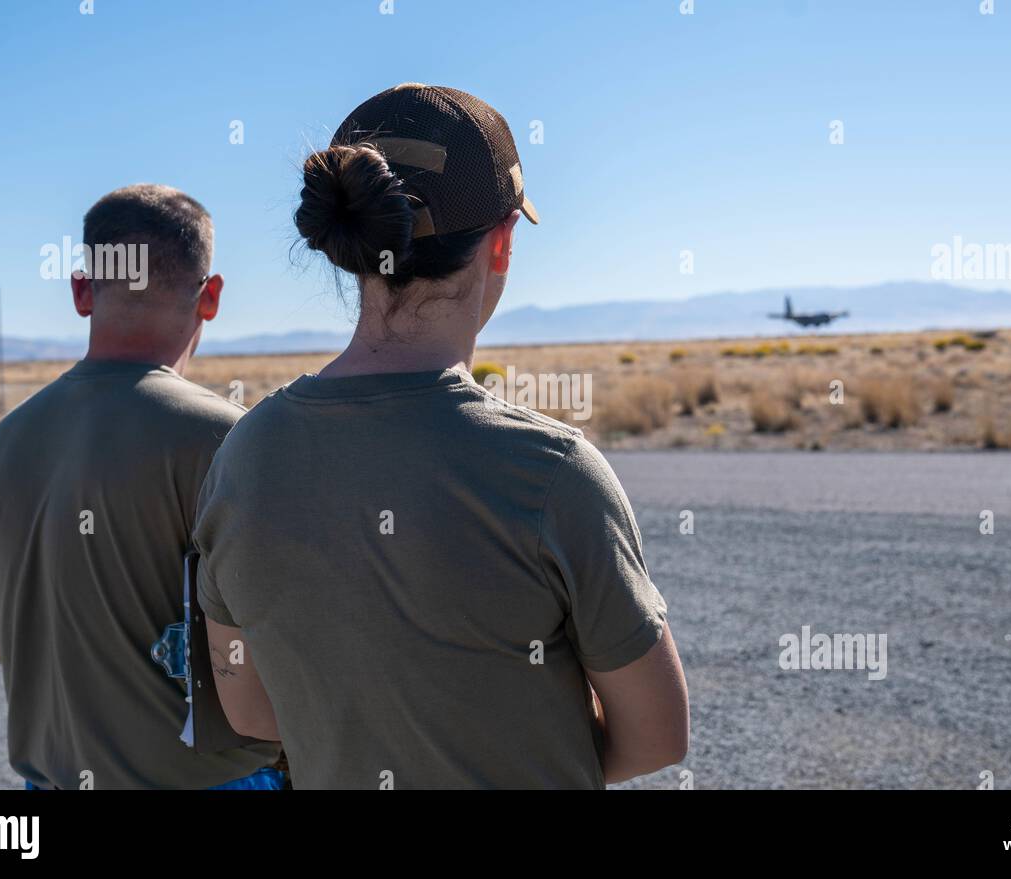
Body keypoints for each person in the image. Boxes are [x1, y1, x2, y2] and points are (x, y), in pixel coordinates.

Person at [195, 84, 688, 789]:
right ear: (502, 243)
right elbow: (658, 736)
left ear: (350, 245)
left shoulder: (244, 455)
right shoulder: (554, 472)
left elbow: (250, 709)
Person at [0, 184, 281, 789]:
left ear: (82, 291)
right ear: (210, 297)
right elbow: (272, 652)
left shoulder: (0, 443)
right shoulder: (231, 441)